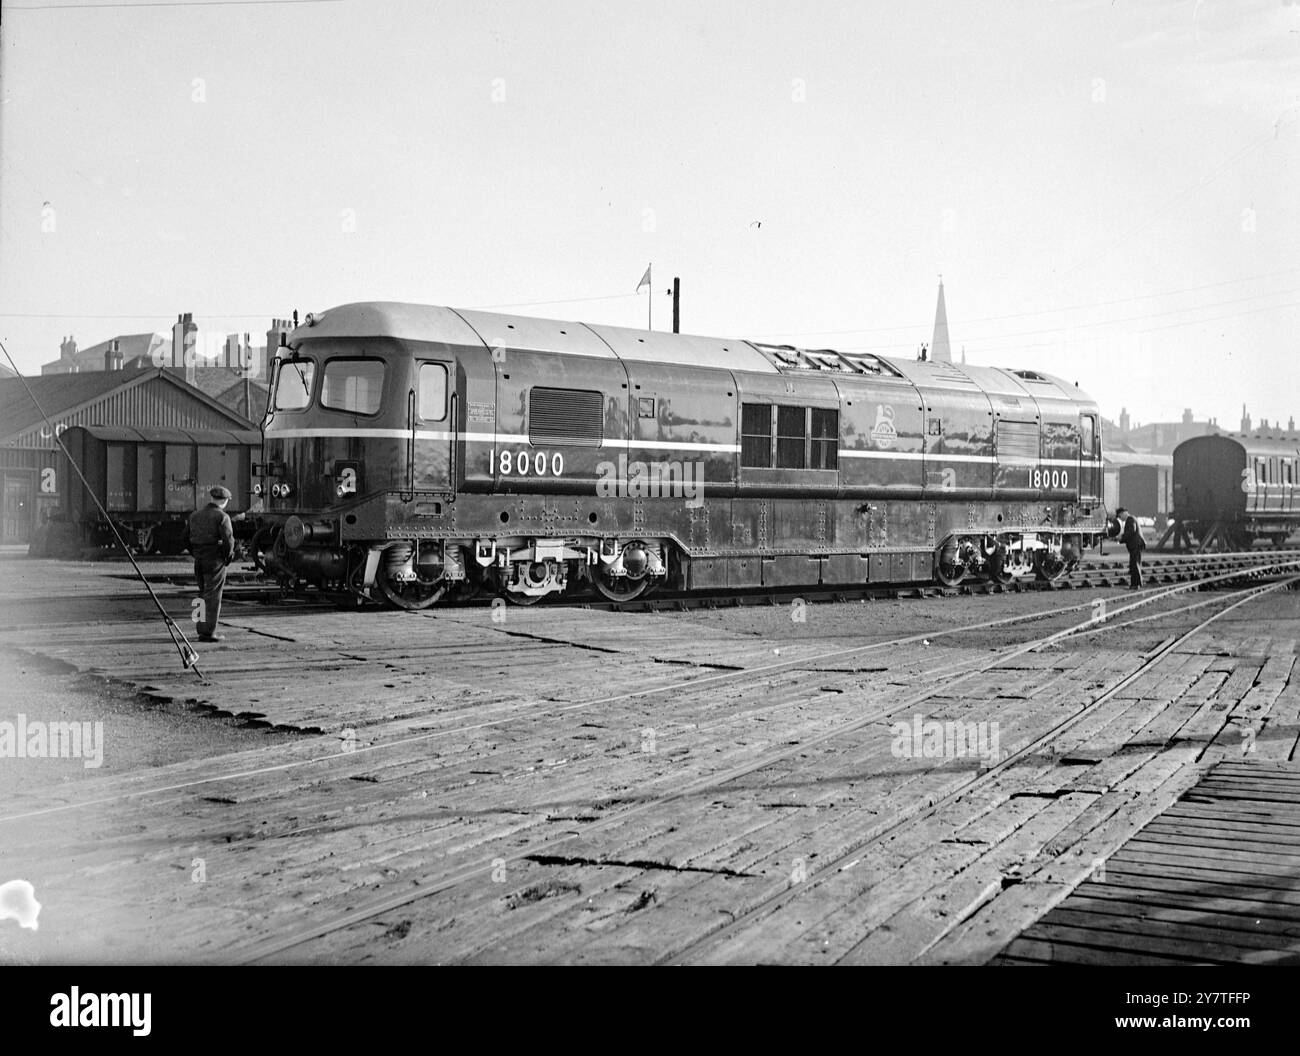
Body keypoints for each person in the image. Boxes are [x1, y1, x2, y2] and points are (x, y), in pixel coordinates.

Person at [187, 485, 236, 642]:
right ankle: (210, 632)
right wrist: (226, 557)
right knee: (213, 596)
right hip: (214, 560)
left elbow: (184, 537)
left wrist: (194, 552)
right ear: (224, 501)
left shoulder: (195, 516)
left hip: (199, 559)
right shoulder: (222, 517)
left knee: (202, 593)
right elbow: (229, 541)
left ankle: (200, 628)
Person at [1114, 506, 1146, 589]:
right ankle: (1135, 584)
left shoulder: (1130, 519)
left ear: (1122, 513)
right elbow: (1130, 533)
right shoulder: (1132, 519)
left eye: (1120, 517)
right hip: (1136, 545)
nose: (1121, 519)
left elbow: (1131, 532)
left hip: (1136, 545)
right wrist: (1121, 539)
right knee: (1134, 564)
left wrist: (1121, 538)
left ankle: (1136, 584)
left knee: (1134, 564)